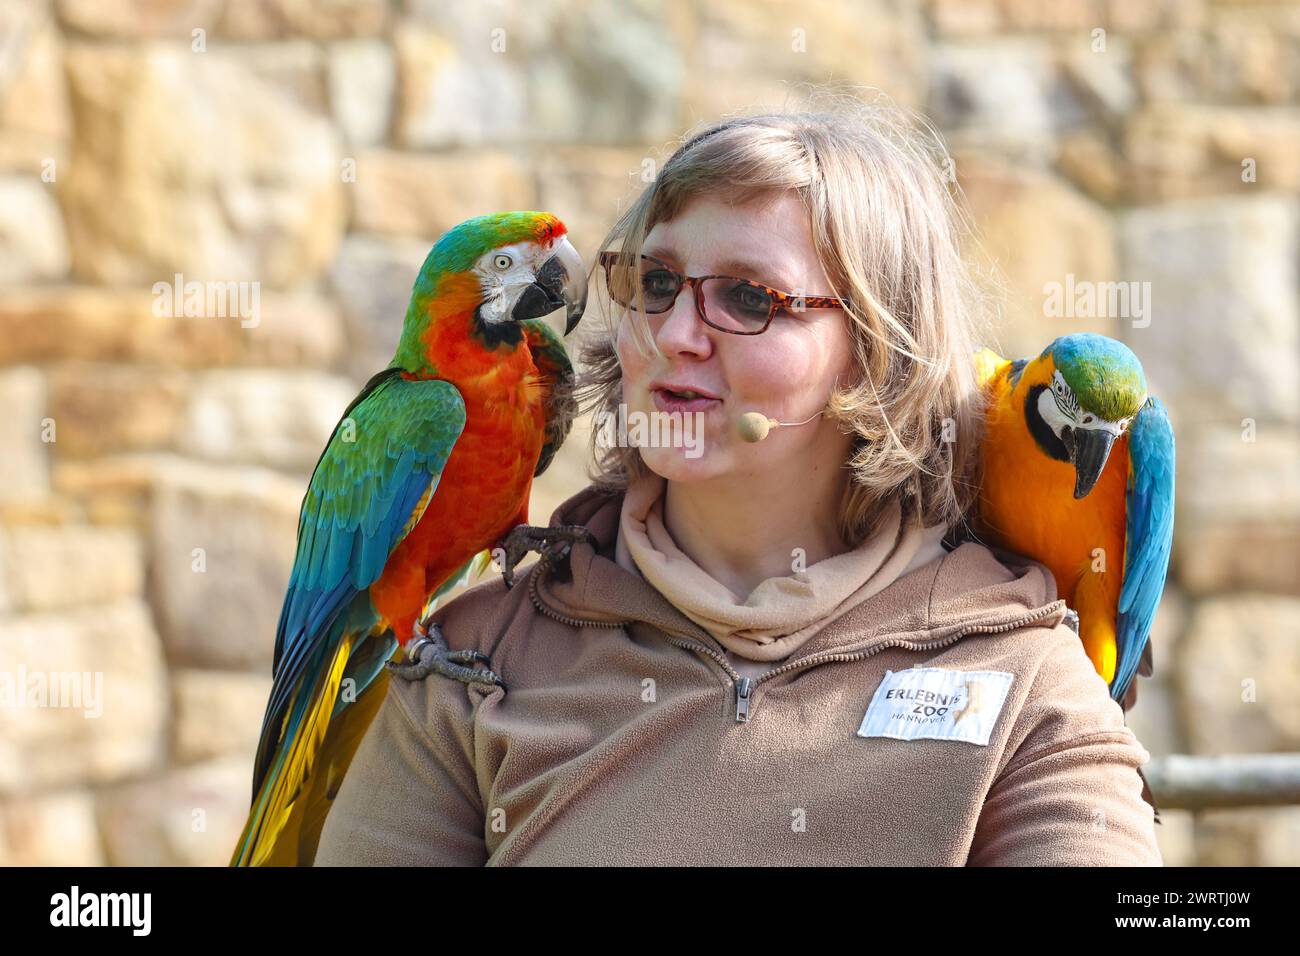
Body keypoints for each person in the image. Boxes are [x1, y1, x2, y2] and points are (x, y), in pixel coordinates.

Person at [314, 97, 1162, 866]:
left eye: (751, 298)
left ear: (877, 351)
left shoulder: (1026, 680)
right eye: (654, 283)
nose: (678, 332)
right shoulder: (475, 663)